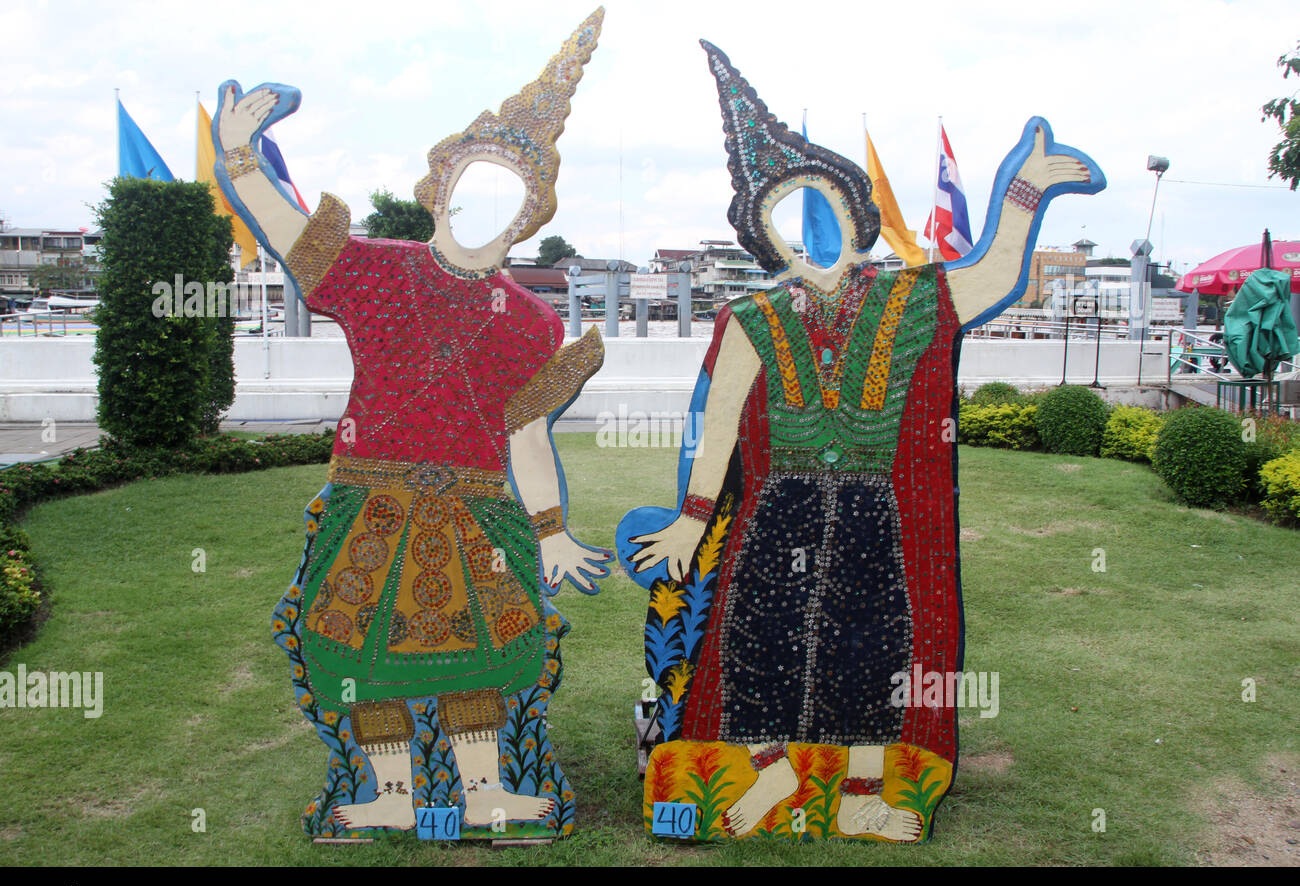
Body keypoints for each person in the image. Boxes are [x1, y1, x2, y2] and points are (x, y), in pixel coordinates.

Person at [621, 41, 1104, 842]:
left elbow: (991, 275)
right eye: (785, 216)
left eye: (821, 207)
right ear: (764, 238)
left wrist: (1027, 188)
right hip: (781, 503)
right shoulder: (751, 320)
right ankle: (771, 770)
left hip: (874, 508)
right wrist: (692, 515)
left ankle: (864, 796)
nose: (808, 232)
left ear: (855, 211)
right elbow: (720, 422)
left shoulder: (910, 298)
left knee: (874, 644)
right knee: (756, 640)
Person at [219, 9, 610, 835]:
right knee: (356, 652)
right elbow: (291, 235)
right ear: (439, 192)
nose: (484, 209)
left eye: (510, 198)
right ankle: (390, 798)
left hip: (476, 508)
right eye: (472, 187)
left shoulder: (531, 322)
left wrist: (549, 529)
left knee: (492, 653)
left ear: (528, 219)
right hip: (372, 499)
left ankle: (483, 794)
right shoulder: (377, 272)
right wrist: (240, 161)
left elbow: (525, 434)